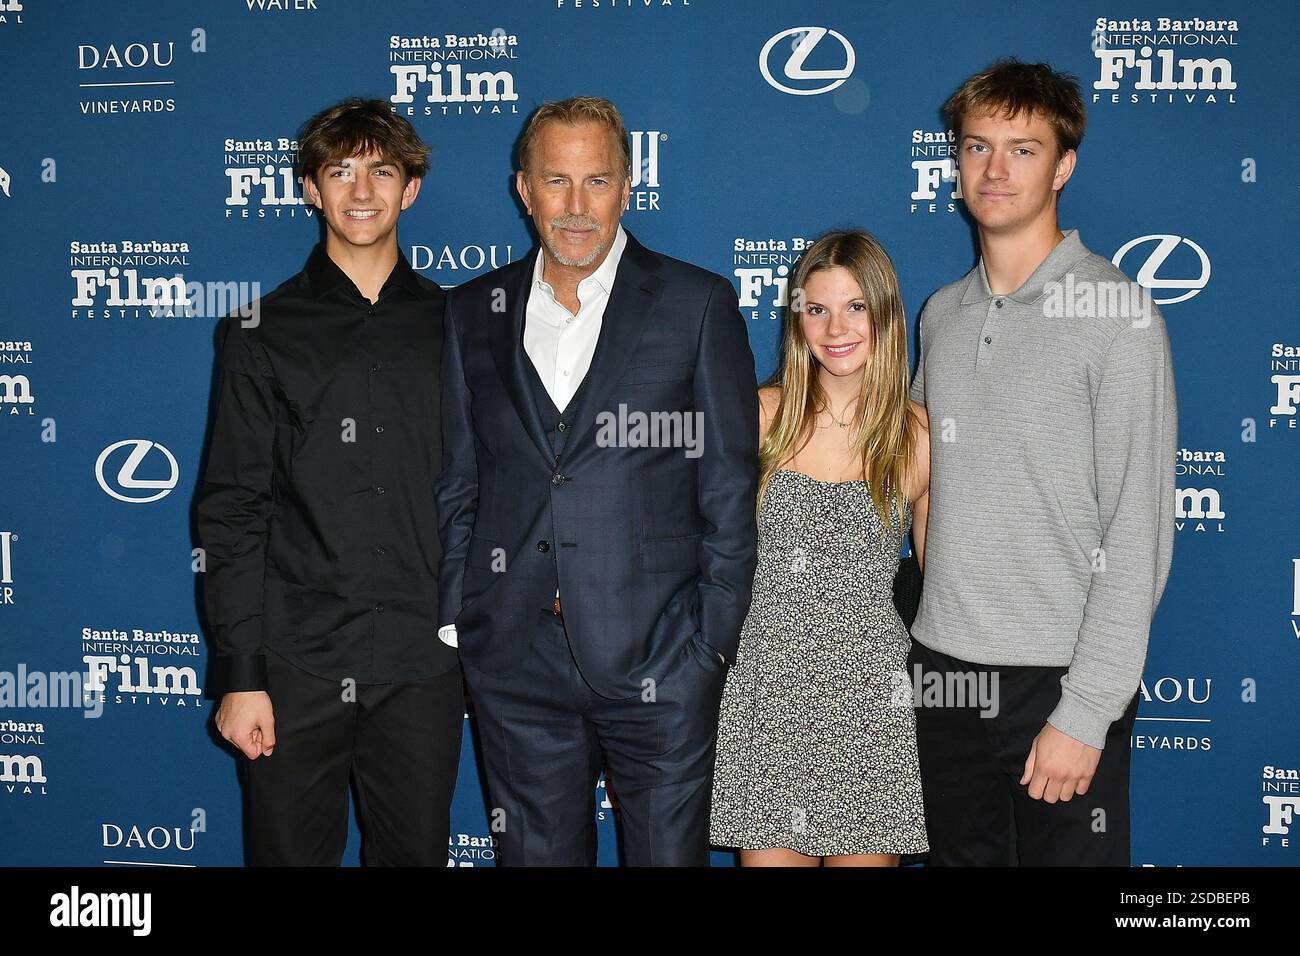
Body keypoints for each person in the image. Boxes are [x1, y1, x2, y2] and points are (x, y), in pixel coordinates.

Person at [436, 96, 758, 866]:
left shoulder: (696, 303)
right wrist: (464, 618)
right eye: (556, 181)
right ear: (524, 189)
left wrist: (708, 646)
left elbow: (727, 488)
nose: (577, 207)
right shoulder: (470, 311)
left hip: (661, 658)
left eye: (597, 181)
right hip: (514, 659)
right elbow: (457, 477)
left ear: (628, 184)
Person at [908, 60, 1177, 865]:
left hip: (1057, 684)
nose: (995, 169)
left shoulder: (1117, 313)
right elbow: (921, 483)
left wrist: (1086, 709)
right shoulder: (941, 315)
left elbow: (1138, 531)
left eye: (1023, 149)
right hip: (944, 679)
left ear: (1063, 166)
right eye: (977, 146)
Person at [197, 98, 462, 866]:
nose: (361, 191)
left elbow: (483, 496)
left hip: (423, 664)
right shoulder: (257, 331)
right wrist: (241, 675)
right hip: (294, 666)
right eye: (339, 171)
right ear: (309, 188)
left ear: (411, 189)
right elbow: (233, 510)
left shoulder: (461, 327)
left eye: (382, 170)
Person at [709, 230, 931, 866]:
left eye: (856, 306)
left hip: (871, 698)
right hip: (766, 688)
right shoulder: (755, 416)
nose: (836, 327)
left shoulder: (918, 434)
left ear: (885, 313)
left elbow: (943, 579)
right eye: (817, 308)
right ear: (796, 317)